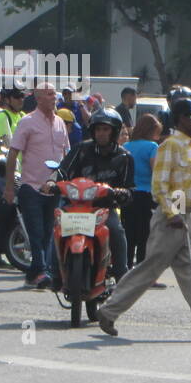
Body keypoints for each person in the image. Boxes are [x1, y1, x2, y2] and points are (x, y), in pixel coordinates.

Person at [97, 99, 191, 341]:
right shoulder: (170, 146)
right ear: (182, 118)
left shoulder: (190, 146)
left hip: (184, 212)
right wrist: (173, 214)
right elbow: (160, 185)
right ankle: (109, 310)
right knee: (152, 267)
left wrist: (182, 214)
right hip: (170, 215)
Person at [49, 108, 134, 280]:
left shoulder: (125, 157)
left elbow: (129, 188)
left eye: (106, 129)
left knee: (117, 231)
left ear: (114, 132)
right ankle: (54, 273)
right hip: (75, 206)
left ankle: (121, 274)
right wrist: (52, 182)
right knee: (58, 229)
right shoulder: (80, 149)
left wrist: (122, 193)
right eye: (98, 129)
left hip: (104, 209)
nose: (101, 133)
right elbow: (62, 171)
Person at [4, 84, 71, 289]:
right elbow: (13, 153)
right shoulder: (27, 122)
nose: (54, 98)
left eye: (54, 94)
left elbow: (66, 154)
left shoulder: (60, 123)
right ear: (39, 98)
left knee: (49, 231)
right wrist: (8, 187)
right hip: (31, 186)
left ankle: (35, 272)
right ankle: (42, 271)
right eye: (50, 94)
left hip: (54, 187)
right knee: (36, 230)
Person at [123, 113, 161, 268]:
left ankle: (125, 269)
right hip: (146, 195)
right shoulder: (152, 147)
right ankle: (142, 270)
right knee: (145, 235)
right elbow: (156, 171)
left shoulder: (125, 146)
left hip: (128, 195)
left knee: (129, 234)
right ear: (150, 131)